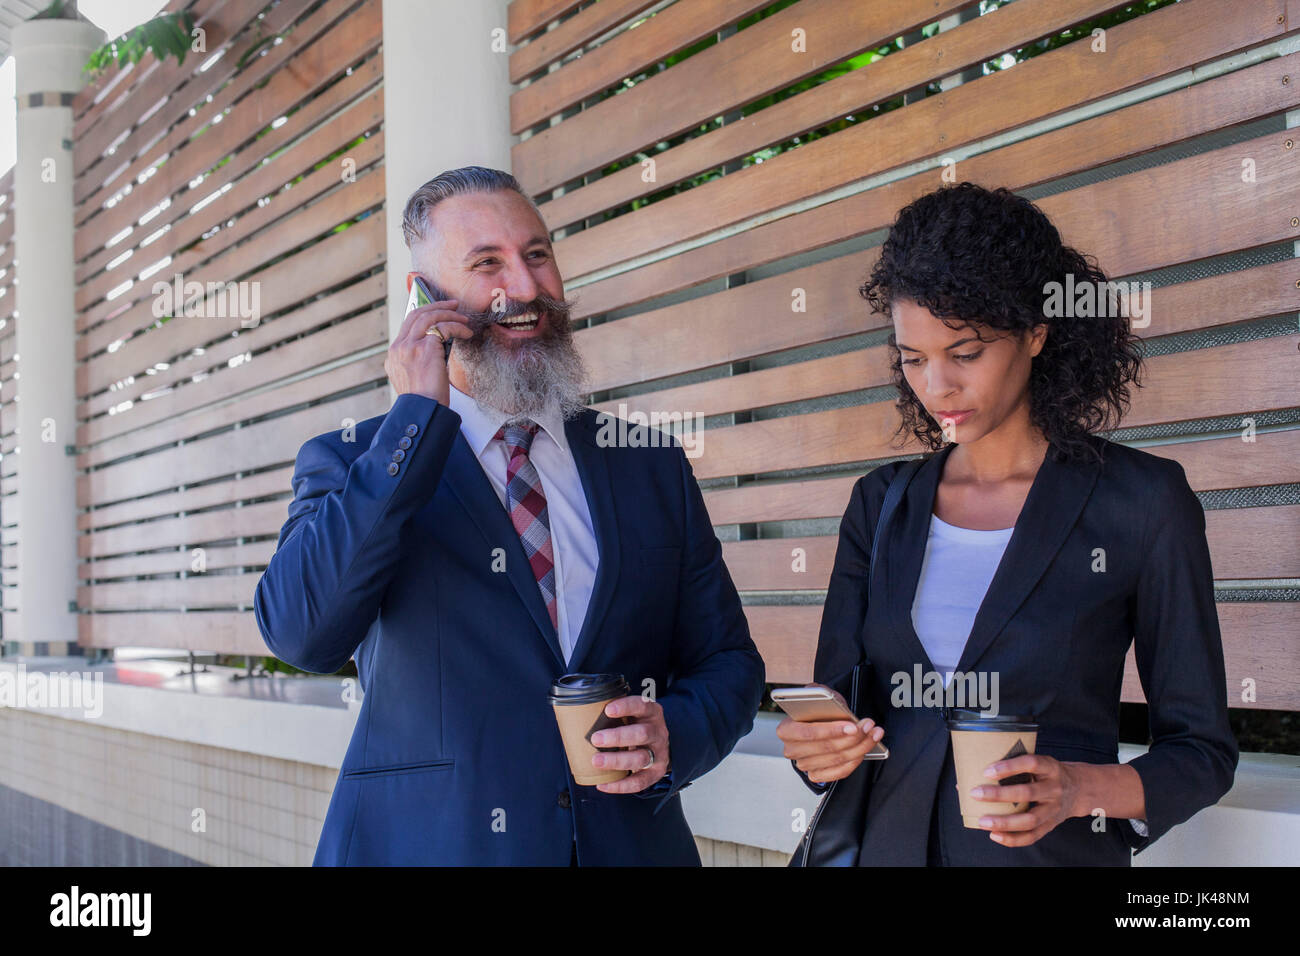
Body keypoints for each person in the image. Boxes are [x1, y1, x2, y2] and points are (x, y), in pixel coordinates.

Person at [253, 166, 764, 865]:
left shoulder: (648, 464)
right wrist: (413, 423)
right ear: (425, 300)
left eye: (536, 255)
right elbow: (300, 633)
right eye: (486, 263)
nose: (523, 290)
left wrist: (678, 730)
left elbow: (728, 661)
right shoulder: (357, 460)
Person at [778, 181, 1238, 865]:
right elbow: (838, 721)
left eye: (965, 353)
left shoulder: (1142, 501)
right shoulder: (879, 506)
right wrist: (820, 753)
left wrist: (1079, 788)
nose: (936, 387)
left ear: (1036, 332)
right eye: (913, 359)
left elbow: (1201, 752)